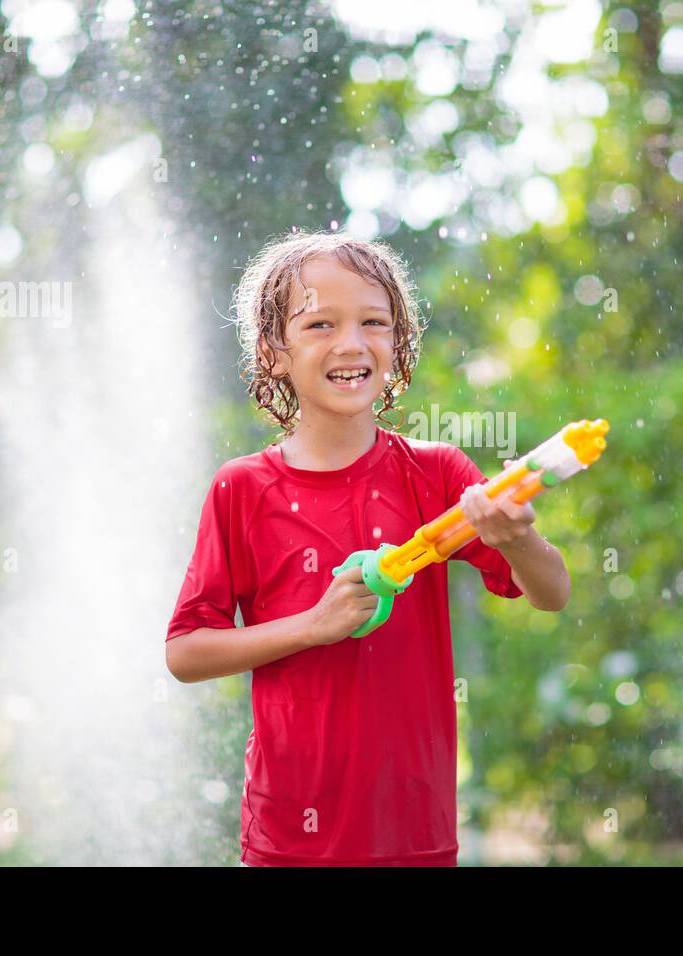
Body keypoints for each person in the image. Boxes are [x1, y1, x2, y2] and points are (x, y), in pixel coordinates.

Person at [165, 229, 571, 866]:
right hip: (288, 844)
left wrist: (519, 537)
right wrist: (312, 627)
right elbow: (185, 652)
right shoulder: (243, 489)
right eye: (321, 323)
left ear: (396, 342)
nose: (351, 343)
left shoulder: (437, 475)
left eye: (373, 322)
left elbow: (552, 592)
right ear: (274, 352)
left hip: (415, 838)